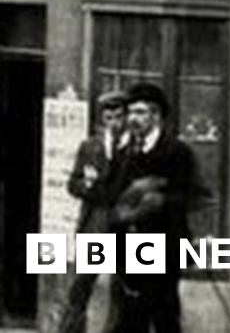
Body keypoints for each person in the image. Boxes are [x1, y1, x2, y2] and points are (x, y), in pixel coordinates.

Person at [105, 82, 197, 333]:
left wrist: (160, 201)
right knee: (130, 320)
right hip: (128, 250)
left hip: (164, 248)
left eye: (140, 113)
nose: (133, 119)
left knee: (164, 316)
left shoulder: (177, 152)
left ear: (156, 116)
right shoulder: (124, 152)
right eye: (131, 112)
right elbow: (112, 197)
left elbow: (190, 197)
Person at [57, 90, 126, 333]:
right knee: (81, 287)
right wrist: (88, 184)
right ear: (101, 120)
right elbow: (73, 185)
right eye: (109, 117)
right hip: (95, 223)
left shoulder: (135, 150)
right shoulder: (90, 146)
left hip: (126, 227)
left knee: (124, 290)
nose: (114, 123)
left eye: (119, 117)